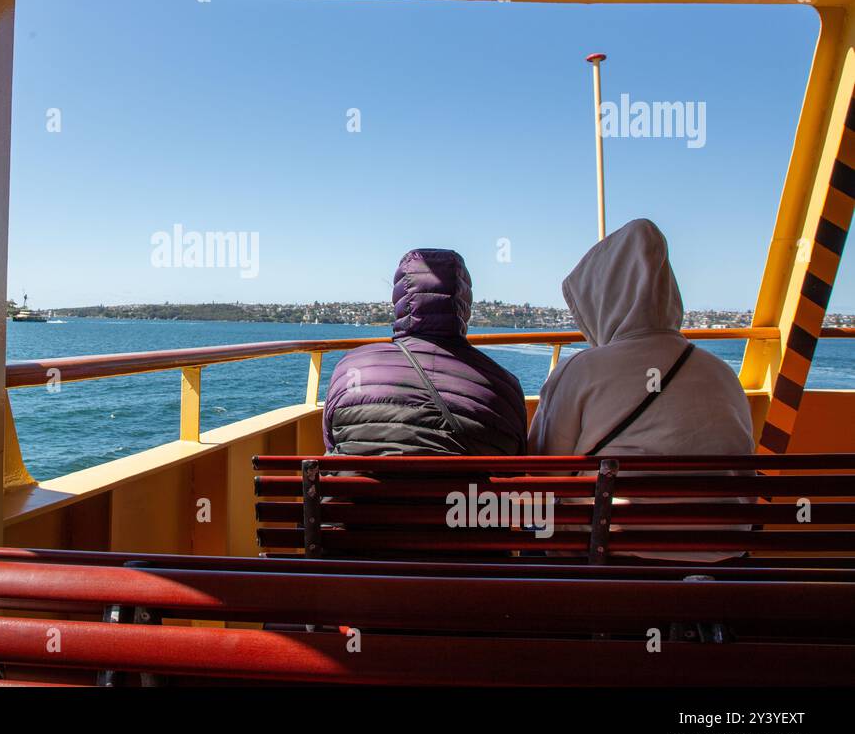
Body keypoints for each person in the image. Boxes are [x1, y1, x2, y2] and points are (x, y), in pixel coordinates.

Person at [529, 218, 754, 561]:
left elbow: (543, 472)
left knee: (538, 525)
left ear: (603, 298)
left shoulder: (582, 370)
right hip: (723, 563)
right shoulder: (722, 374)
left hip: (614, 561)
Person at [322, 248, 527, 456]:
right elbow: (516, 465)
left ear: (400, 299)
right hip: (466, 490)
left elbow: (330, 443)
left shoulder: (350, 368)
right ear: (464, 303)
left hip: (361, 490)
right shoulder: (505, 387)